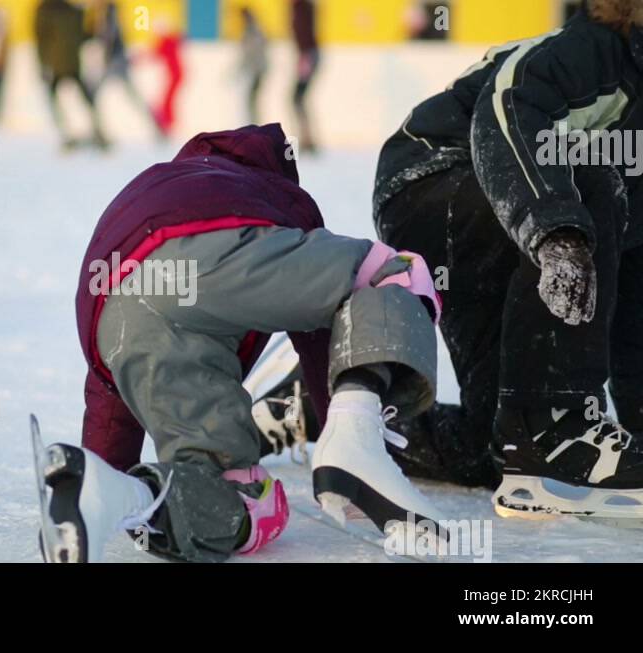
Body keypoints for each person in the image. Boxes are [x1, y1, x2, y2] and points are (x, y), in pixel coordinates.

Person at [36, 124, 446, 563]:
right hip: (208, 255)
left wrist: (104, 465)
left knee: (215, 481)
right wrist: (336, 423)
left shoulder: (164, 179)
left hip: (113, 309)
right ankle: (356, 436)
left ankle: (116, 496)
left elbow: (109, 392)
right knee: (395, 272)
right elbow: (318, 329)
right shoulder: (273, 189)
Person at [372, 0, 643, 520]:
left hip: (515, 220)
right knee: (590, 177)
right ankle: (553, 428)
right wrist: (554, 231)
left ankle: (329, 410)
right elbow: (509, 110)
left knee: (497, 440)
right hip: (432, 179)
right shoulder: (595, 49)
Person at [35, 0, 107, 150]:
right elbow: (86, 35)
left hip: (60, 63)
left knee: (61, 100)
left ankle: (74, 133)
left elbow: (42, 39)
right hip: (67, 63)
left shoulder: (47, 9)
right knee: (83, 99)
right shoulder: (70, 10)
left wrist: (43, 64)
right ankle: (86, 132)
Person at [91, 1, 160, 136]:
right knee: (133, 97)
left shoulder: (109, 14)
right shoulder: (109, 13)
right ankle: (156, 127)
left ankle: (98, 131)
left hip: (114, 62)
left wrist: (104, 57)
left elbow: (109, 38)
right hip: (117, 61)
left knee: (94, 95)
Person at [291, 0, 319, 153]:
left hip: (308, 55)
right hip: (308, 54)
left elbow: (304, 32)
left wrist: (304, 57)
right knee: (299, 99)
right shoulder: (303, 7)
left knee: (297, 99)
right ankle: (307, 139)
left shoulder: (301, 8)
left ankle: (308, 140)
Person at [149, 19, 183, 137]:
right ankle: (169, 123)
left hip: (175, 75)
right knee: (168, 100)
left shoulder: (166, 41)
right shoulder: (169, 40)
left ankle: (169, 125)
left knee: (168, 100)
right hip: (175, 75)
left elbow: (154, 54)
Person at [239, 7, 268, 125]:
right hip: (256, 69)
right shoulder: (252, 30)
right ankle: (254, 124)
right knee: (251, 100)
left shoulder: (253, 31)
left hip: (258, 70)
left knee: (252, 100)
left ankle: (255, 125)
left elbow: (253, 51)